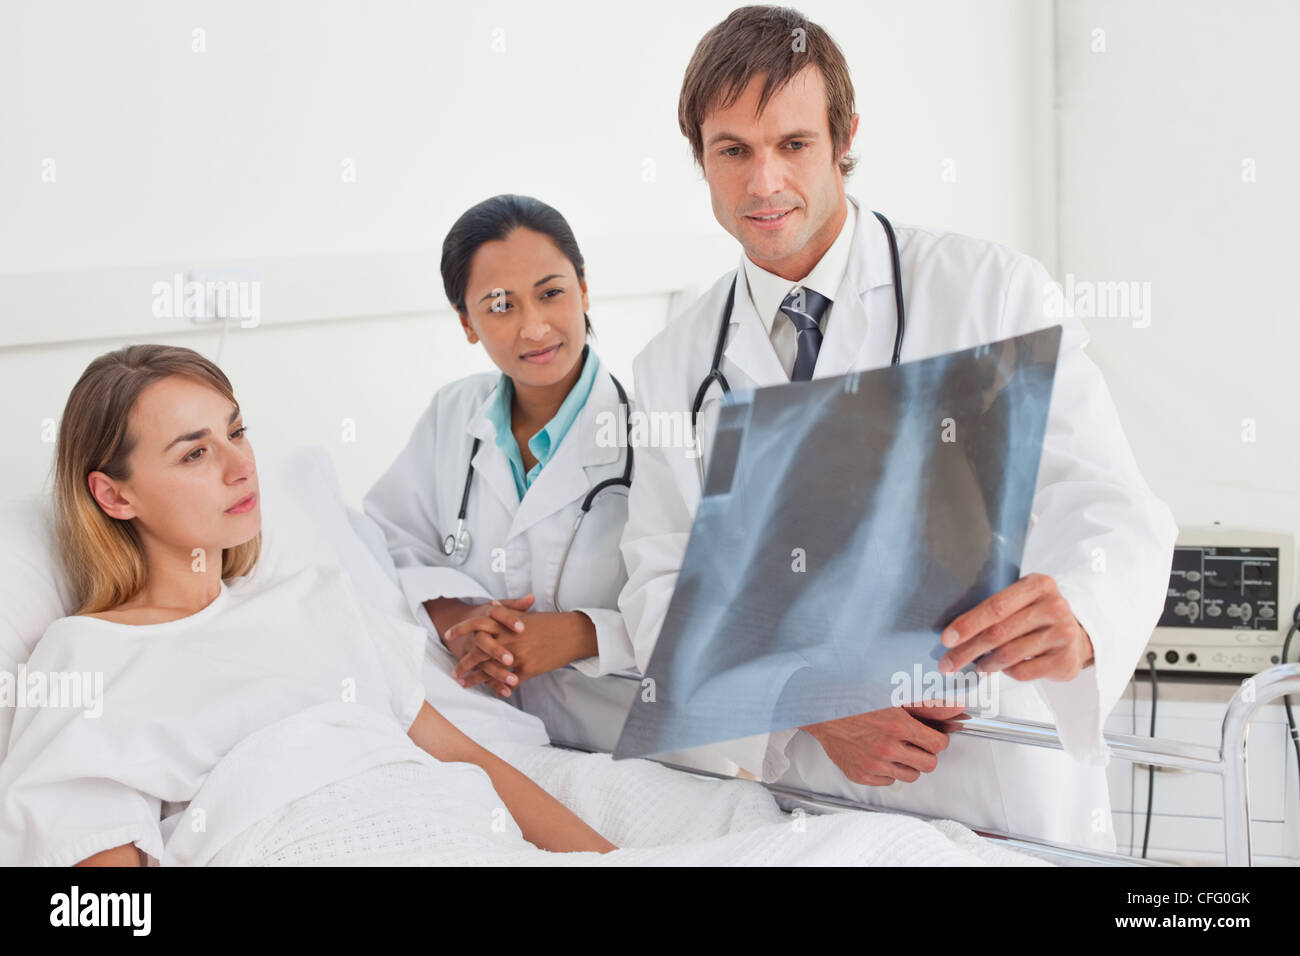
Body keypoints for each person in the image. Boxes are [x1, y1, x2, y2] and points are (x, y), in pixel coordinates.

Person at [617, 5, 1178, 849]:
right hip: (812, 801)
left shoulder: (991, 294)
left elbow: (1110, 504)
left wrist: (1084, 616)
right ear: (700, 156)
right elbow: (659, 591)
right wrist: (806, 707)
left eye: (794, 144)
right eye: (733, 150)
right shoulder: (673, 365)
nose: (764, 183)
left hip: (999, 783)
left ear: (845, 138)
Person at [0, 345, 616, 865]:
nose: (241, 467)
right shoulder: (88, 658)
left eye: (236, 432)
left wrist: (615, 860)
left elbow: (466, 759)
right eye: (195, 453)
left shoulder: (317, 599)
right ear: (114, 495)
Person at [364, 195, 639, 752]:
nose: (534, 328)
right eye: (500, 306)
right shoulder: (452, 414)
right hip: (488, 738)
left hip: (629, 744)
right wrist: (458, 624)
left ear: (584, 289)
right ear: (467, 323)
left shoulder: (658, 435)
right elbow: (386, 545)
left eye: (551, 293)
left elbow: (710, 609)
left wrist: (582, 634)